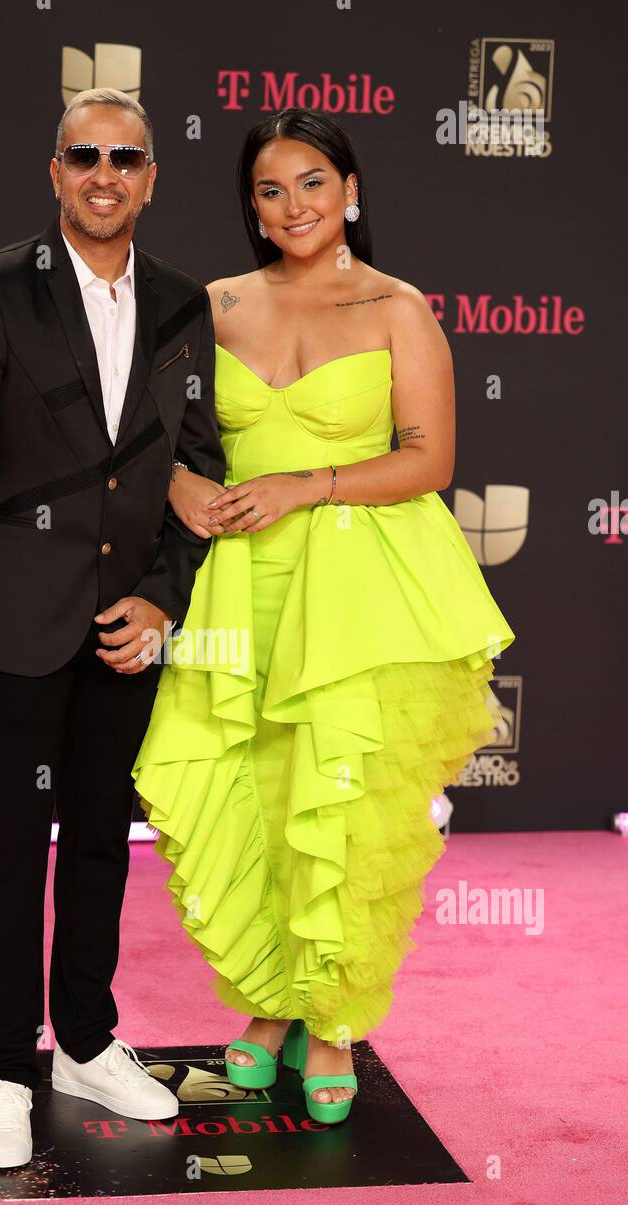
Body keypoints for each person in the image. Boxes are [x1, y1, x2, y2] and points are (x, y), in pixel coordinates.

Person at [132, 108, 516, 1125]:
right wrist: (175, 485)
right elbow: (145, 437)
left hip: (357, 588)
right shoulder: (209, 305)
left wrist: (310, 484)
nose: (292, 204)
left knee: (339, 802)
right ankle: (268, 1004)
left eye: (311, 182)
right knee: (257, 791)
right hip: (240, 583)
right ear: (249, 209)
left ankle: (335, 1015)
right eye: (269, 189)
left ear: (349, 192)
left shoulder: (396, 307)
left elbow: (428, 460)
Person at [0, 88, 226, 1167]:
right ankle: (4, 1065)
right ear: (54, 172)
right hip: (6, 630)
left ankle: (84, 1040)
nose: (103, 173)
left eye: (125, 156)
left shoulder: (185, 305)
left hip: (122, 629)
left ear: (150, 176)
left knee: (99, 841)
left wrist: (164, 597)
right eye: (82, 155)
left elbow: (201, 467)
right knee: (9, 850)